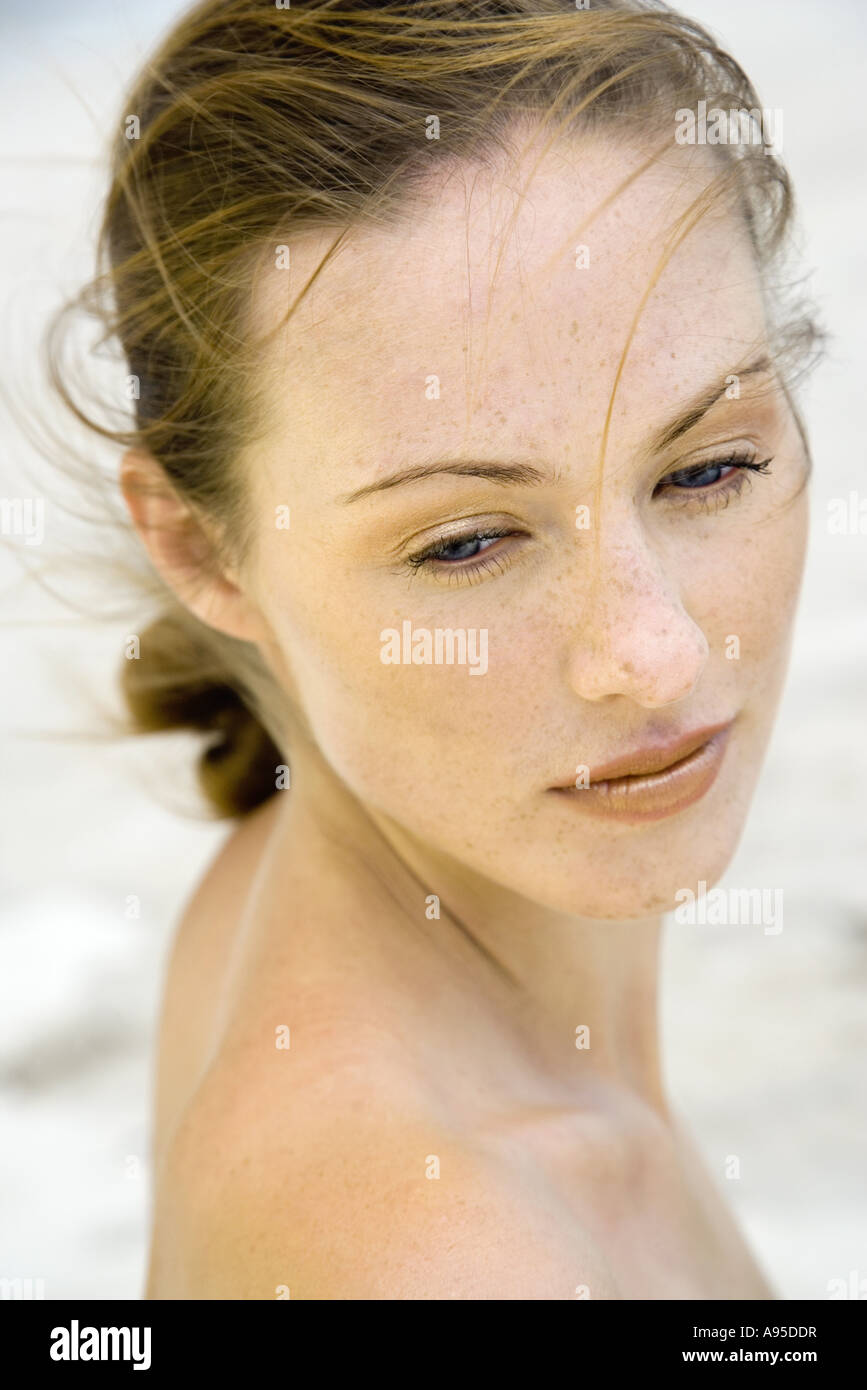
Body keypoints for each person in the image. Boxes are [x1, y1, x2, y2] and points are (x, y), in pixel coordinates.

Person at [52, 0, 822, 1297]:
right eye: (466, 544)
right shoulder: (438, 1251)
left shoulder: (286, 886)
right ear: (199, 548)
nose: (657, 652)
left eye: (709, 467)